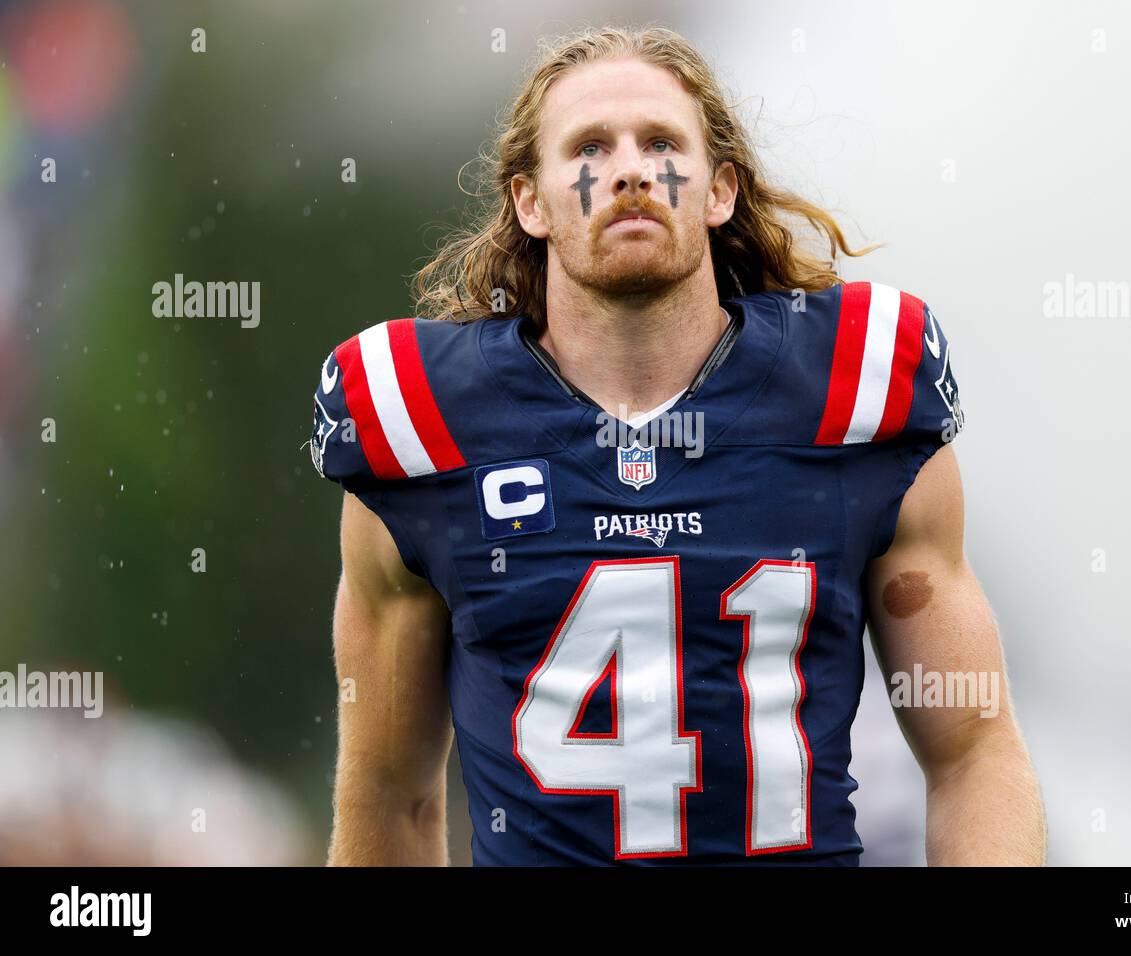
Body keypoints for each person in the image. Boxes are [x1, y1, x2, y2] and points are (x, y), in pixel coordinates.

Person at [311, 25, 1044, 866]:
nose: (629, 170)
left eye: (661, 142)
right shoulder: (422, 425)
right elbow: (388, 793)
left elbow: (972, 755)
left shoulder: (855, 397)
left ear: (719, 190)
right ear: (530, 202)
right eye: (590, 146)